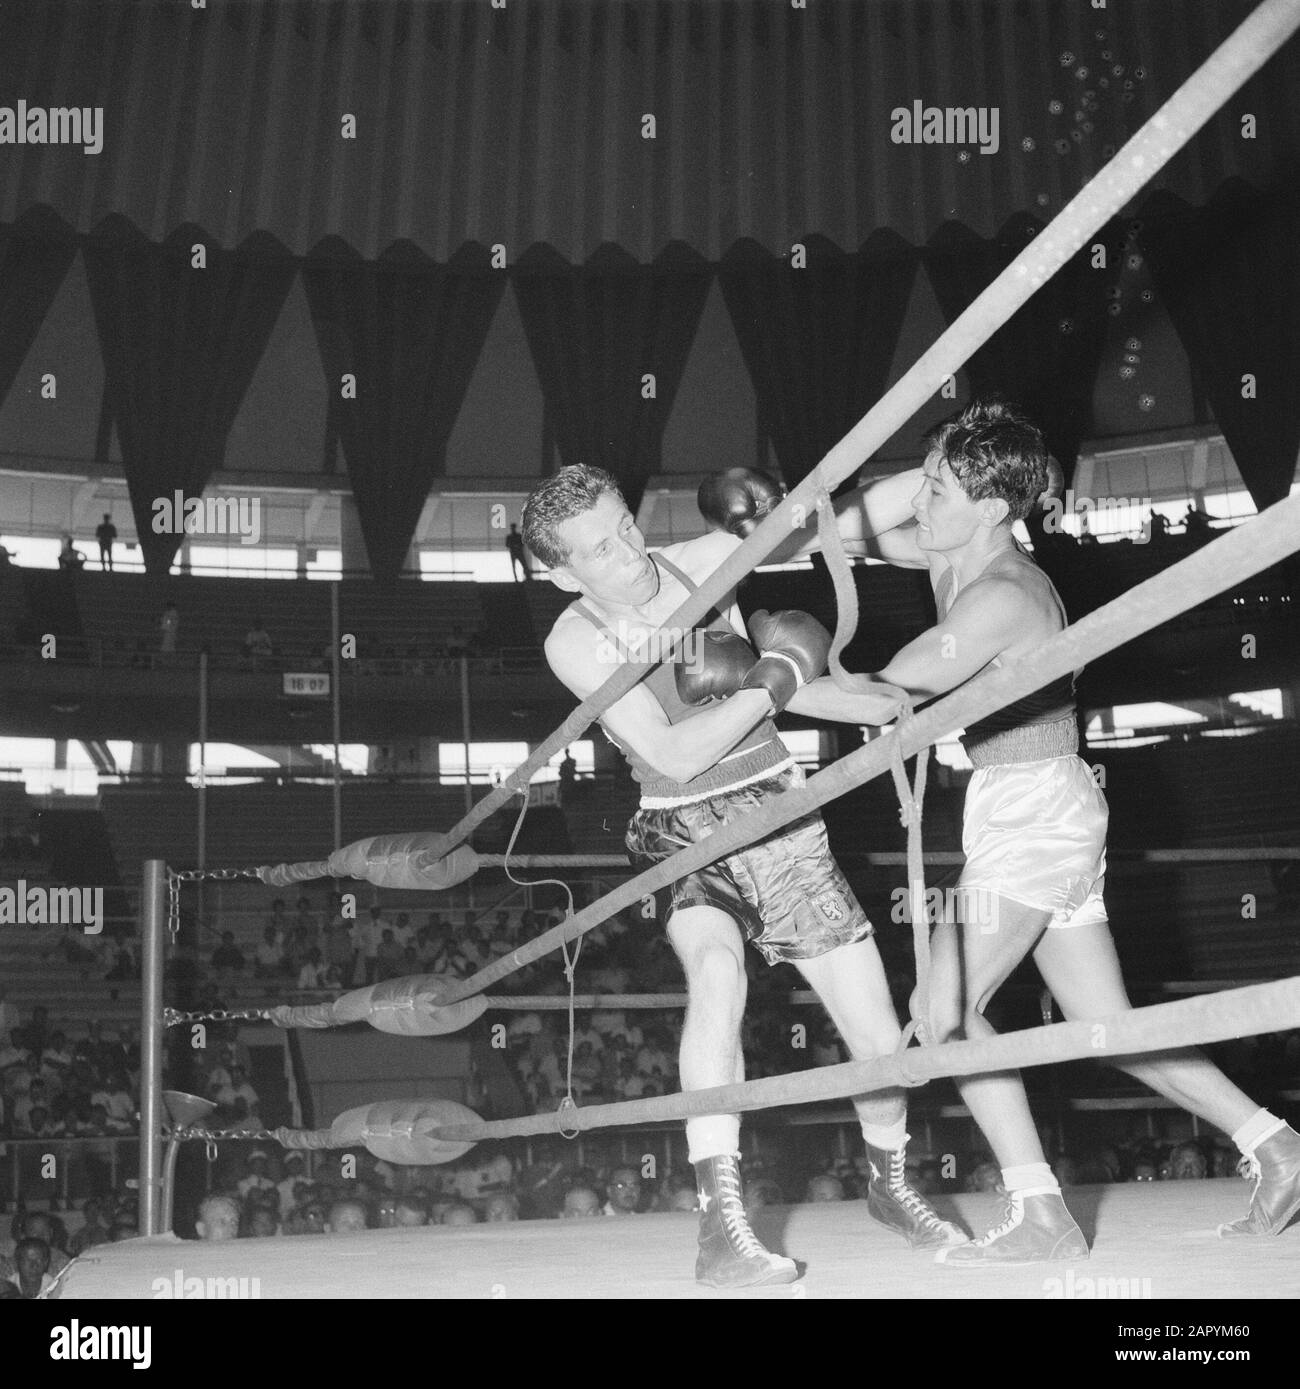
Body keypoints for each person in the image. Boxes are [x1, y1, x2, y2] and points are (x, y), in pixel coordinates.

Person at [830, 397, 1300, 1263]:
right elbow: (849, 527)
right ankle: (1274, 1140)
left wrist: (768, 685)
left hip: (1032, 809)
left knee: (944, 1013)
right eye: (926, 486)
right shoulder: (953, 548)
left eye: (937, 490)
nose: (919, 503)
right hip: (1038, 801)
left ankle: (1040, 1209)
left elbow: (889, 694)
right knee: (1104, 1026)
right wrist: (943, 461)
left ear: (995, 510)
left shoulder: (1005, 592)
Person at [524, 463, 963, 1289]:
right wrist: (777, 680)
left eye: (626, 524)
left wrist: (953, 467)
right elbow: (677, 751)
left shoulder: (701, 558)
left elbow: (843, 512)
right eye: (600, 549)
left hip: (779, 815)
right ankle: (721, 1223)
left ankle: (890, 1181)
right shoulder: (575, 637)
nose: (629, 552)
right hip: (679, 826)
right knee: (718, 974)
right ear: (561, 572)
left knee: (876, 1037)